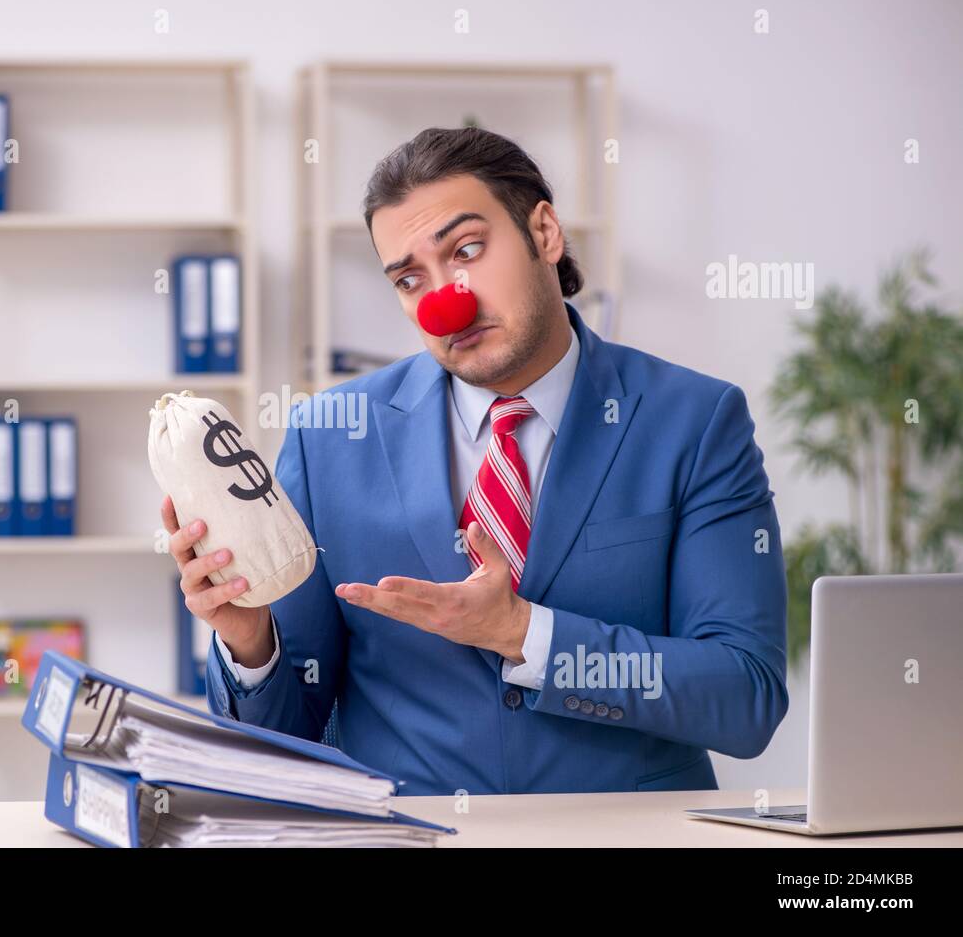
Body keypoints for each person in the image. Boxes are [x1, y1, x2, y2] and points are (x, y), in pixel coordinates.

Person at [159, 126, 788, 795]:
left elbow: (743, 693)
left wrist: (525, 633)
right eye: (409, 278)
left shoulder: (694, 420)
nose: (444, 303)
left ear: (544, 232)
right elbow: (286, 737)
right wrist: (250, 641)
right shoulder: (328, 436)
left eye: (466, 250)